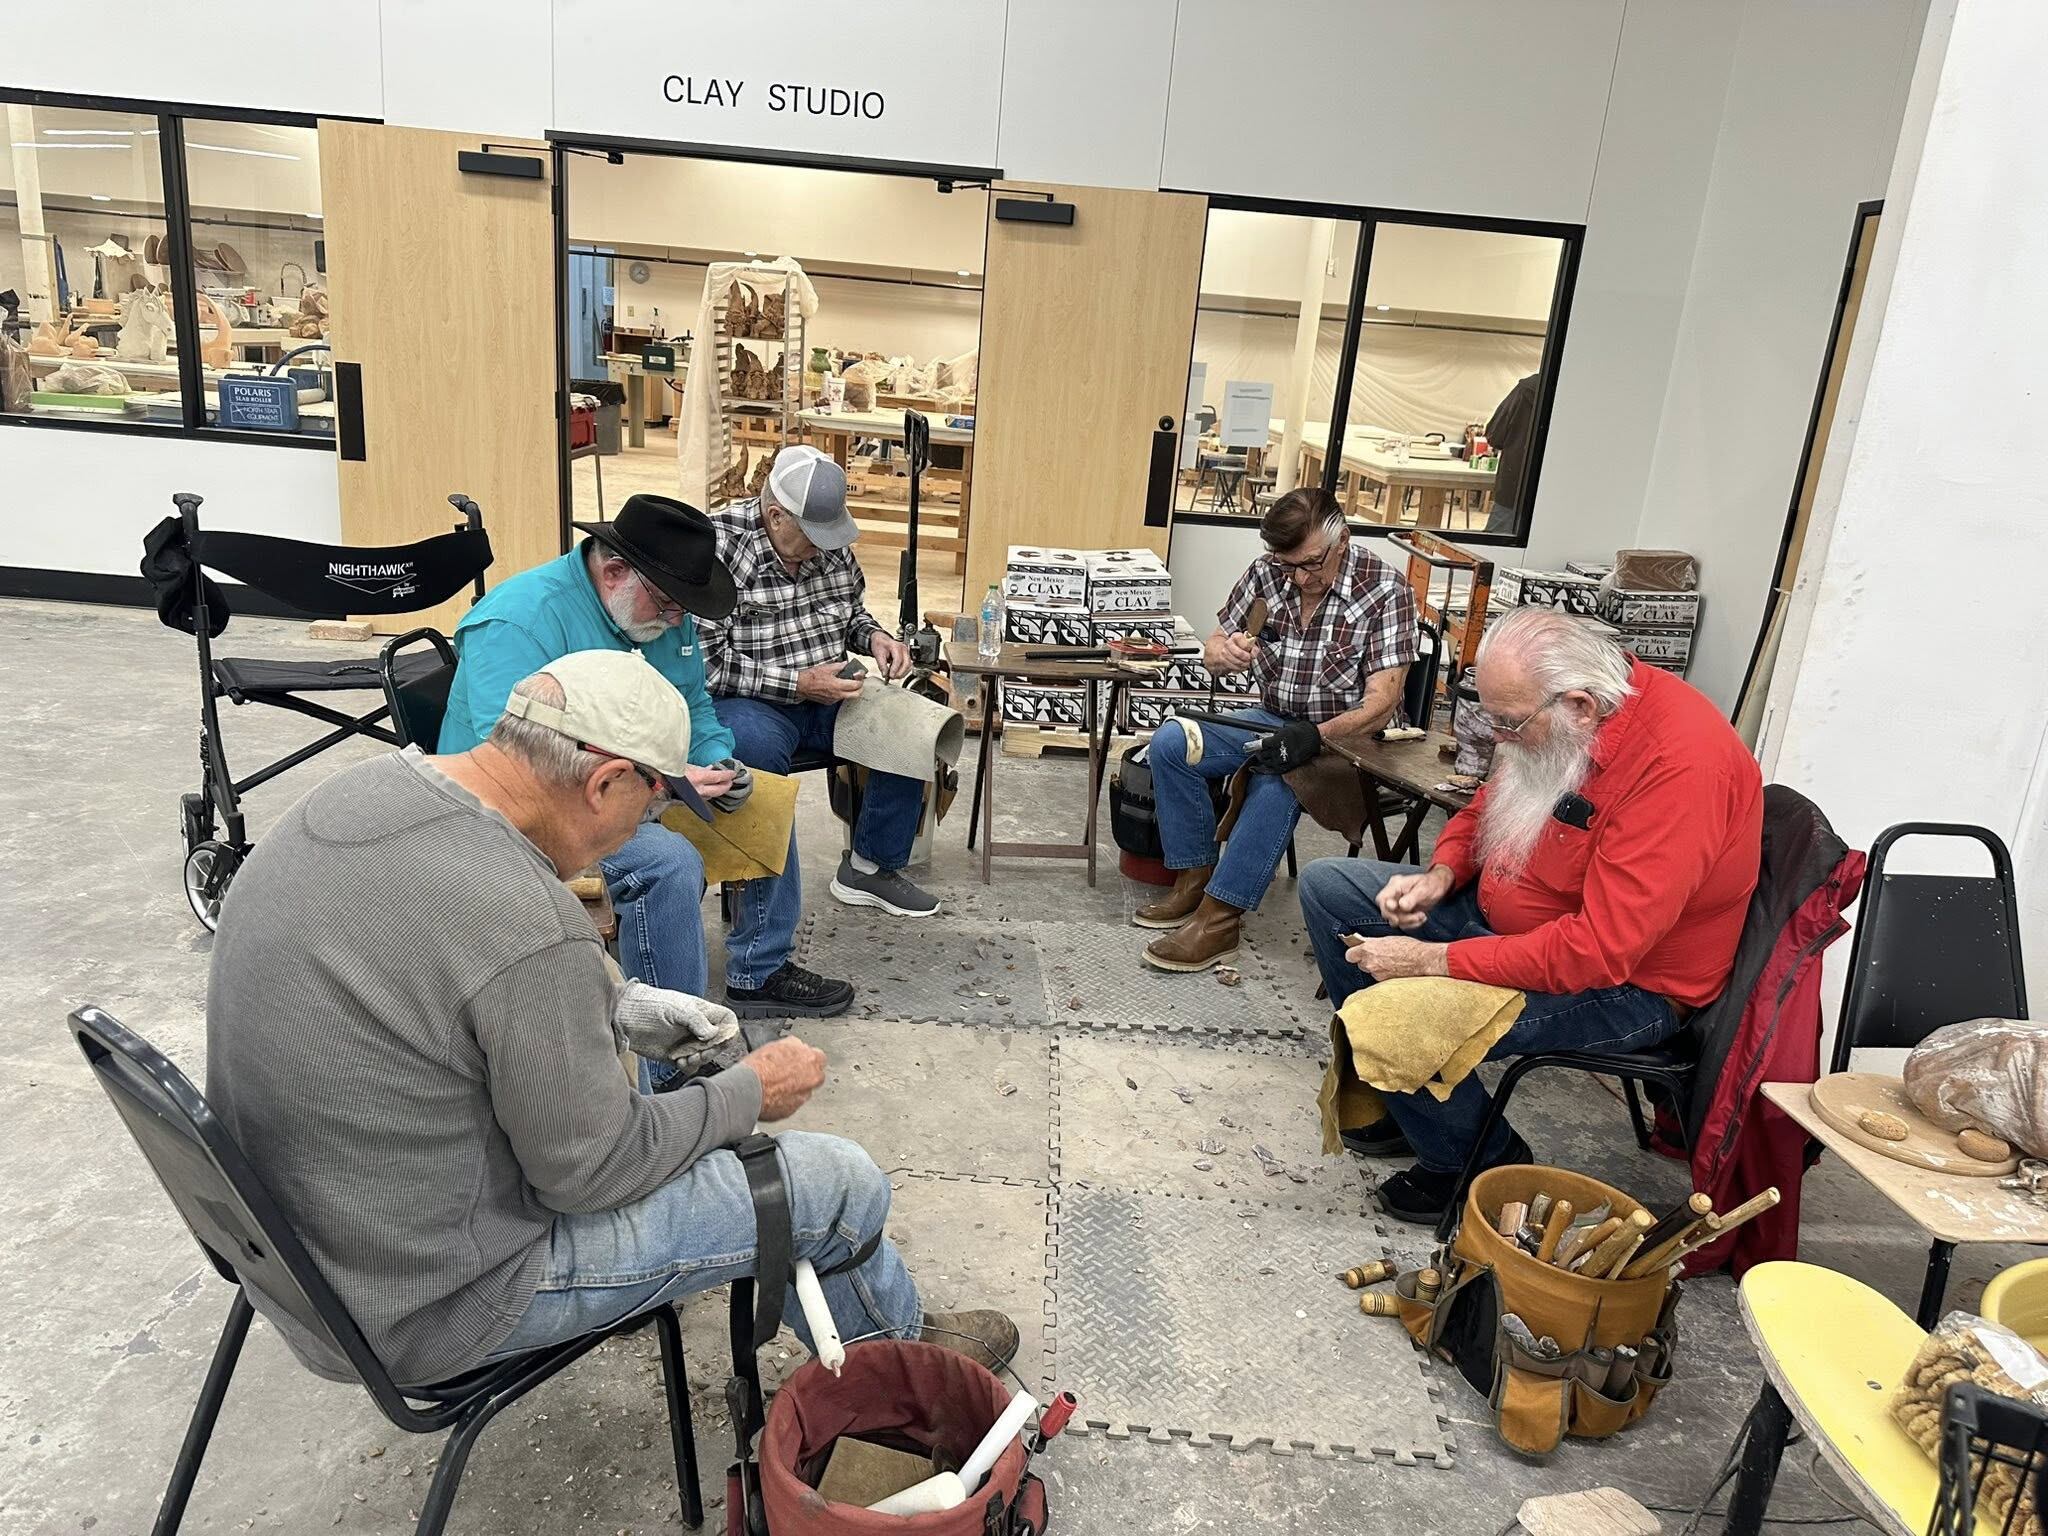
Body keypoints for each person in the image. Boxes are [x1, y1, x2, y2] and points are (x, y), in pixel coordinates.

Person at [206, 650, 1017, 1387]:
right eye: (647, 810)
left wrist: (618, 1001)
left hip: (302, 1263)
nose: (634, 837)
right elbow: (592, 1172)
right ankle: (903, 1371)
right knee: (836, 1185)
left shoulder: (361, 792)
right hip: (436, 1305)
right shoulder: (526, 917)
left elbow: (445, 978)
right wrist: (746, 1092)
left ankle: (877, 1338)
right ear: (605, 782)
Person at [1297, 608, 1764, 1224]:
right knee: (1330, 886)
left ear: (1579, 705)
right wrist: (1442, 874)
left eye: (1508, 722)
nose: (1497, 736)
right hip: (1508, 925)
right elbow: (1487, 805)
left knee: (1394, 1014)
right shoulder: (1561, 719)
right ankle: (1419, 1102)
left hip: (1624, 989)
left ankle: (1475, 1161)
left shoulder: (1680, 767)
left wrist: (1433, 960)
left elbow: (1598, 951)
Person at [439, 494, 854, 1021]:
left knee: (762, 801)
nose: (678, 620)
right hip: (527, 808)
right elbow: (521, 760)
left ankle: (760, 970)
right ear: (614, 573)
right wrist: (663, 779)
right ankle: (673, 1057)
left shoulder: (659, 608)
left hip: (627, 782)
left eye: (684, 607)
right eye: (668, 606)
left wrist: (719, 759)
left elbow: (696, 706)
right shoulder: (519, 622)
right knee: (667, 863)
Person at [1137, 486, 1418, 973]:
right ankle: (1193, 878)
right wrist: (1220, 654)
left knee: (1278, 777)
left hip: (1352, 742)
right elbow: (1216, 645)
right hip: (1272, 718)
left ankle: (1220, 918)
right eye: (1288, 566)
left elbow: (1383, 703)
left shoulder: (1385, 590)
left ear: (1343, 541)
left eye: (1311, 564)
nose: (1300, 578)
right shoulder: (1270, 573)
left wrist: (1315, 736)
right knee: (1171, 743)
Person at [698, 445, 940, 920]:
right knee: (754, 750)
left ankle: (871, 866)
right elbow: (708, 667)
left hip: (828, 690)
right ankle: (758, 899)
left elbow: (851, 613)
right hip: (749, 700)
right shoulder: (718, 547)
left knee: (911, 720)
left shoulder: (827, 545)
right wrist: (798, 684)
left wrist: (875, 639)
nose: (822, 549)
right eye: (812, 537)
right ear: (775, 515)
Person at [1481, 372, 1540, 534]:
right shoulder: (1582, 393)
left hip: (1516, 485)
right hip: (1558, 495)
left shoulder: (1526, 389)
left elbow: (1495, 434)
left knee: (1495, 547)